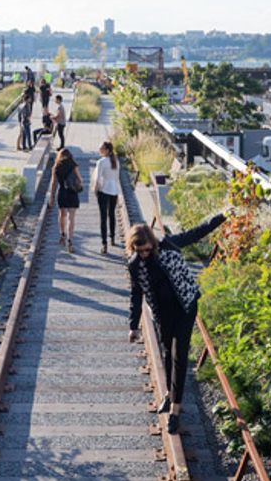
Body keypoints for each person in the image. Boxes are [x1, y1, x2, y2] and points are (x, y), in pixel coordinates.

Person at [126, 213, 228, 433]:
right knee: (167, 352)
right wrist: (133, 326)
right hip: (162, 312)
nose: (144, 254)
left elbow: (195, 233)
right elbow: (136, 294)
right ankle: (169, 394)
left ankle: (175, 410)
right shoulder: (135, 264)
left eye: (147, 250)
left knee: (179, 354)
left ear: (152, 244)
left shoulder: (167, 245)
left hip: (185, 306)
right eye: (139, 251)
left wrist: (221, 217)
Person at [49, 148, 82, 253]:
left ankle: (62, 234)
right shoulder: (73, 165)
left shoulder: (56, 167)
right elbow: (80, 179)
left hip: (62, 192)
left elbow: (54, 183)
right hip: (72, 192)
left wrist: (51, 197)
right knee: (71, 217)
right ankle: (70, 241)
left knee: (62, 214)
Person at [92, 141, 121, 254]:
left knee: (103, 217)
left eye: (102, 149)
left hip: (104, 190)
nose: (100, 150)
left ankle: (104, 244)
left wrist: (95, 190)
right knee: (112, 214)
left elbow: (98, 178)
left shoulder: (101, 162)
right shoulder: (116, 161)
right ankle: (112, 238)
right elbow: (117, 177)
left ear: (107, 150)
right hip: (114, 190)